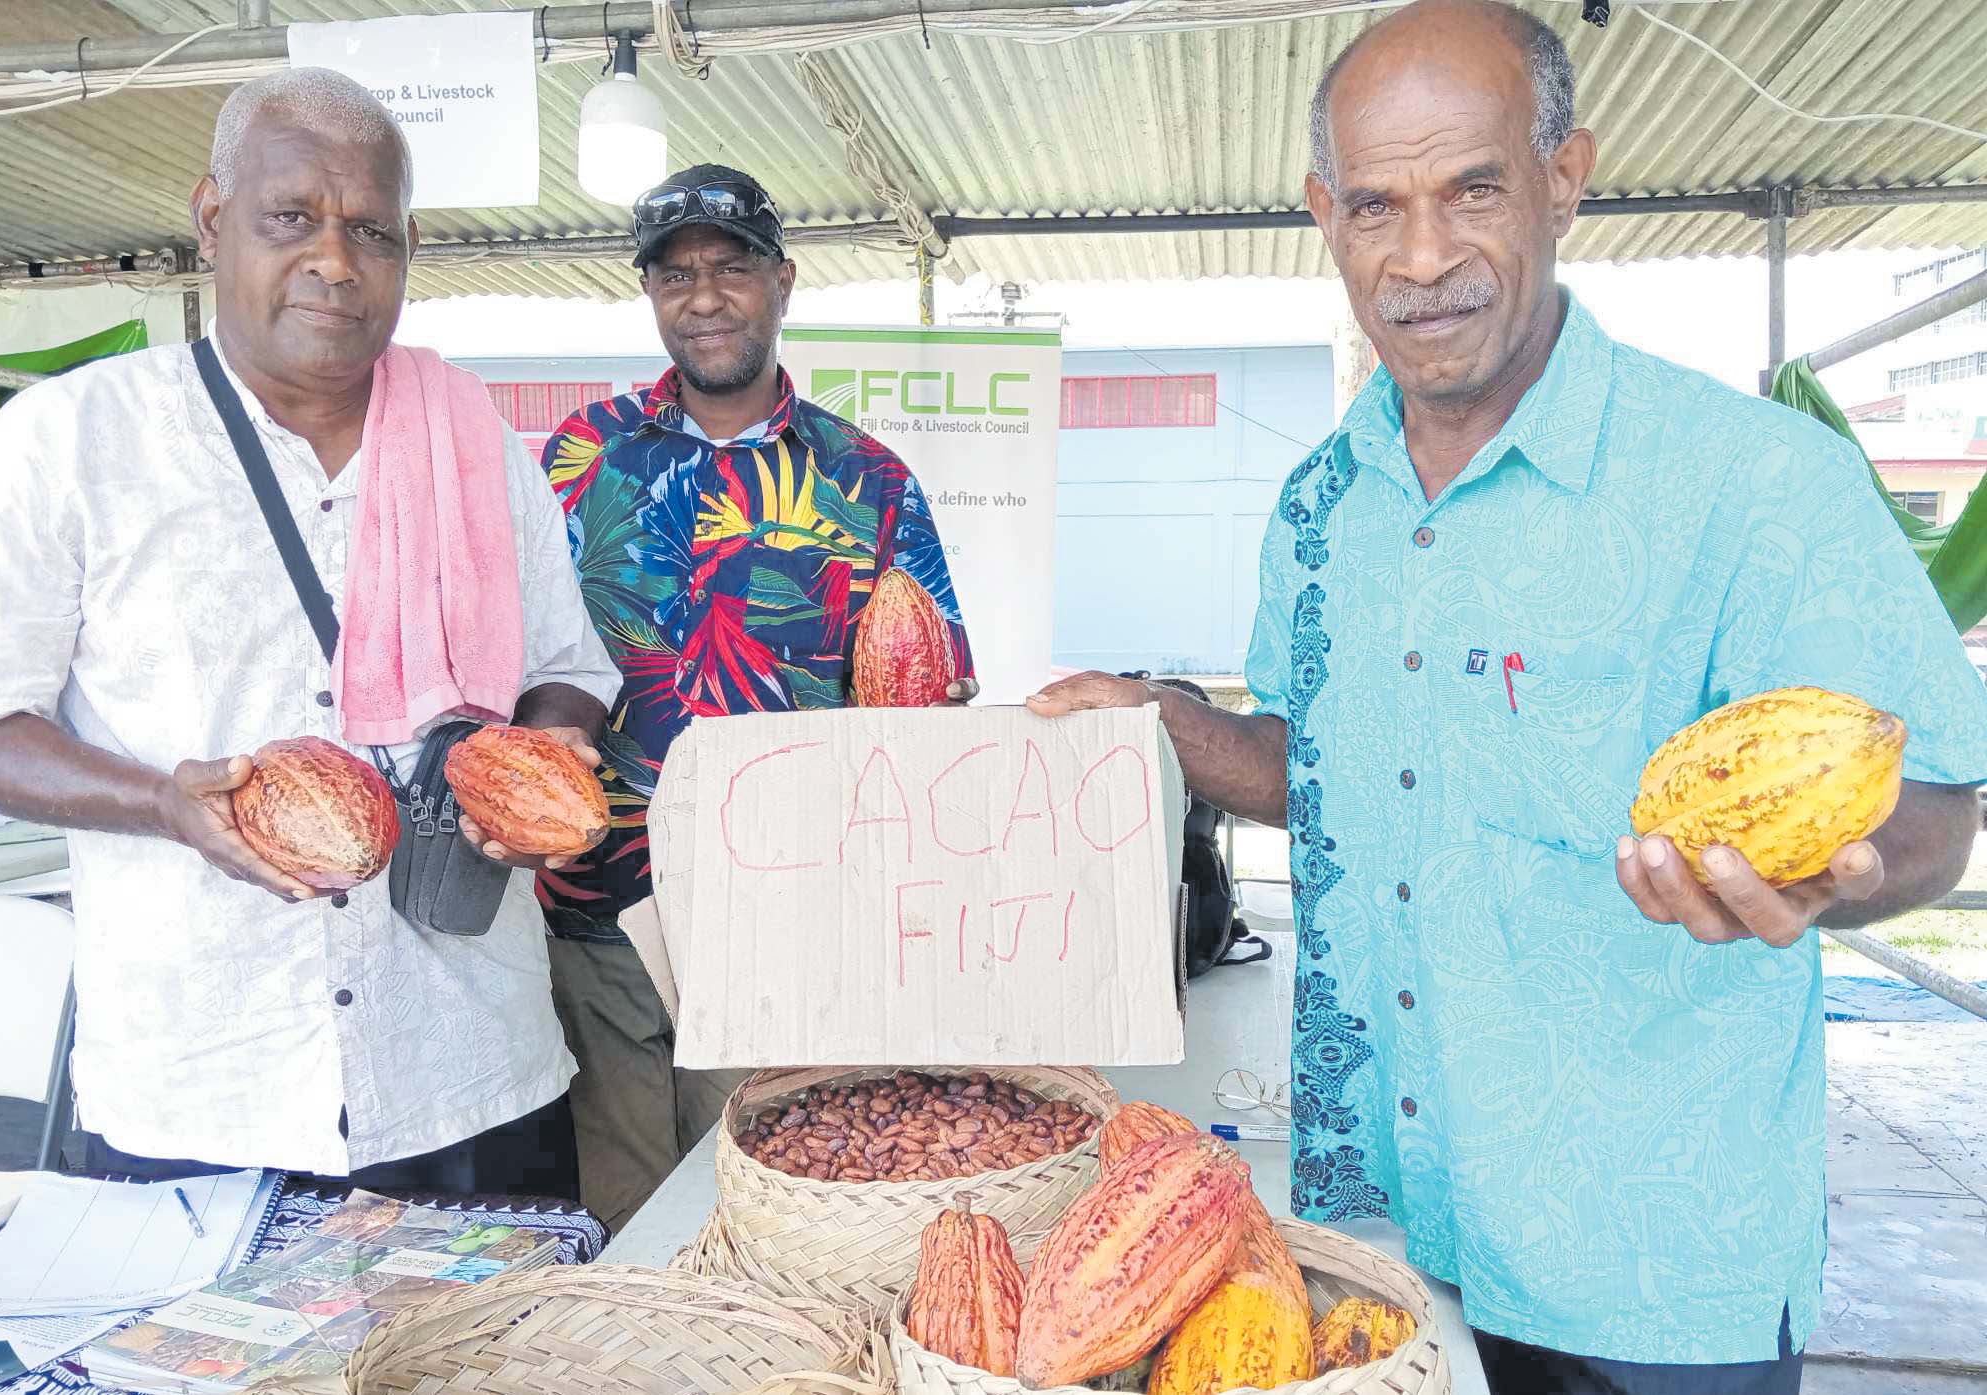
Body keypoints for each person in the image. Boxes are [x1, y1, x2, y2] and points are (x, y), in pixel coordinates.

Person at [1030, 4, 1987, 1391]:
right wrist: (1175, 733)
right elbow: (1333, 763)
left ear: (1564, 175)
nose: (1423, 258)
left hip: (1652, 1261)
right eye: (1378, 205)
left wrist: (1837, 876)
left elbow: (1939, 809)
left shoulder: (1757, 484)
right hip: (1392, 1233)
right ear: (1325, 212)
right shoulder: (1320, 504)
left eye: (1473, 189)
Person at [0, 69, 620, 1193]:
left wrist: (544, 766)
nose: (336, 262)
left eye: (372, 231)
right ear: (213, 219)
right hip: (203, 1088)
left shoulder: (477, 443)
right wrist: (160, 802)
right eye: (290, 219)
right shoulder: (73, 439)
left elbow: (564, 672)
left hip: (467, 1060)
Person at [538, 163, 976, 1231]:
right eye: (676, 273)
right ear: (650, 295)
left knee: (772, 1209)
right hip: (597, 907)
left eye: (731, 268)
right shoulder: (576, 460)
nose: (704, 296)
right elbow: (519, 659)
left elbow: (928, 700)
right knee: (627, 1216)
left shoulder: (866, 479)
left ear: (782, 282)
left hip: (781, 917)